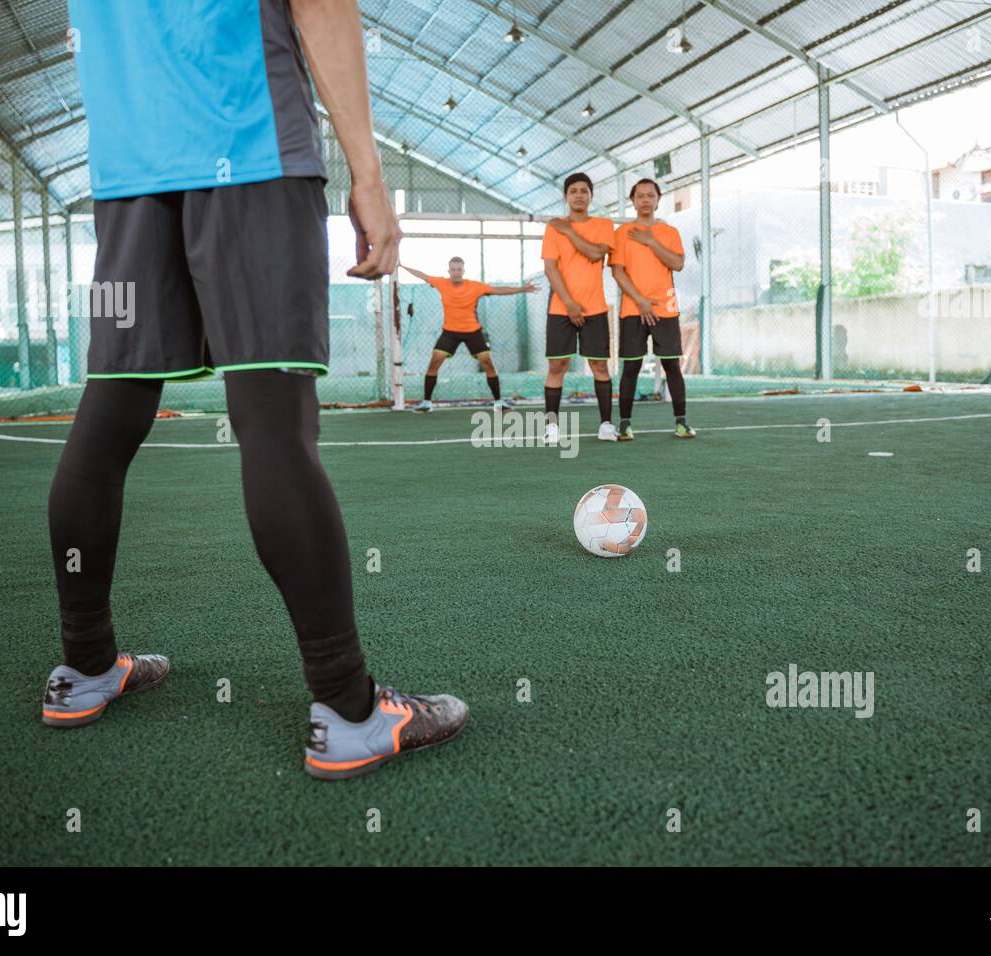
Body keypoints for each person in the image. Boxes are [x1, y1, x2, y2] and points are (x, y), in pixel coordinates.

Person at [44, 0, 468, 781]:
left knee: (107, 412)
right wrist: (369, 176)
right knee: (273, 425)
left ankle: (84, 667)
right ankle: (347, 710)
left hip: (124, 185)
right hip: (251, 155)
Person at [609, 178, 694, 440]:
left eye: (650, 195)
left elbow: (677, 264)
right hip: (633, 309)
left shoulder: (669, 232)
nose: (645, 200)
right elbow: (618, 271)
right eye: (640, 196)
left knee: (672, 366)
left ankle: (681, 422)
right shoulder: (621, 233)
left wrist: (650, 241)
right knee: (631, 367)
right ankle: (624, 425)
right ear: (633, 201)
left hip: (665, 309)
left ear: (658, 199)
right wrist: (640, 300)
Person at [399, 258, 537, 410]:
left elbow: (498, 290)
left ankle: (498, 402)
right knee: (434, 363)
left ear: (463, 271)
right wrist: (401, 265)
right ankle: (426, 403)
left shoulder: (475, 286)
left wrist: (522, 289)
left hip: (473, 332)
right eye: (453, 269)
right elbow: (422, 275)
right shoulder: (441, 283)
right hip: (450, 332)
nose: (456, 272)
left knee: (488, 363)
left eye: (459, 269)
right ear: (449, 271)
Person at [540, 173, 617, 445]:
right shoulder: (552, 228)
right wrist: (569, 302)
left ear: (591, 196)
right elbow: (550, 268)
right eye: (573, 191)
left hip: (595, 308)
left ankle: (606, 425)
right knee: (557, 366)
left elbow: (597, 254)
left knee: (599, 366)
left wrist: (570, 231)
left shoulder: (603, 225)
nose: (579, 195)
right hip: (561, 308)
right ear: (565, 196)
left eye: (584, 190)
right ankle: (551, 427)